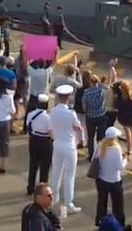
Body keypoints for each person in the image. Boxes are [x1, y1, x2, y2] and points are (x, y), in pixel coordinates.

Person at [49, 84, 84, 219]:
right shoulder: (71, 113)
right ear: (68, 97)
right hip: (69, 145)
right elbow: (77, 127)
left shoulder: (53, 111)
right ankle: (68, 204)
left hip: (57, 143)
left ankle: (54, 201)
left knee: (56, 173)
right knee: (69, 175)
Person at [91, 126, 129, 229]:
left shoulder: (99, 146)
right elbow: (119, 167)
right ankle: (119, 224)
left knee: (101, 202)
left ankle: (100, 222)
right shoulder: (116, 149)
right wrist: (125, 159)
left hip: (101, 180)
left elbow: (94, 159)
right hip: (114, 181)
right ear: (114, 138)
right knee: (118, 205)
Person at [26, 94, 53, 195]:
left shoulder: (31, 114)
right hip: (45, 141)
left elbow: (28, 126)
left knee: (33, 164)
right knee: (44, 167)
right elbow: (51, 132)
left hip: (34, 139)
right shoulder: (48, 117)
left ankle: (30, 187)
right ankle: (42, 189)